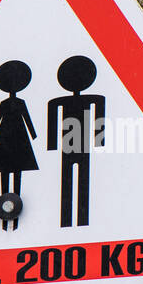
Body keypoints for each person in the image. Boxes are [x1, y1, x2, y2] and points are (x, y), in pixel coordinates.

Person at [47, 55, 105, 227]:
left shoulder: (92, 100)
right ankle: (68, 221)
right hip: (70, 146)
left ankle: (80, 220)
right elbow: (52, 119)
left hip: (81, 145)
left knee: (81, 180)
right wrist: (51, 144)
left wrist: (99, 141)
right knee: (70, 180)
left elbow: (99, 118)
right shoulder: (60, 102)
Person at [0, 60, 38, 230]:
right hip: (8, 139)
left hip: (13, 139)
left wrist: (33, 134)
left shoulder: (18, 103)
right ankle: (6, 214)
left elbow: (27, 119)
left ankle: (14, 213)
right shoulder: (6, 104)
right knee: (8, 171)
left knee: (12, 172)